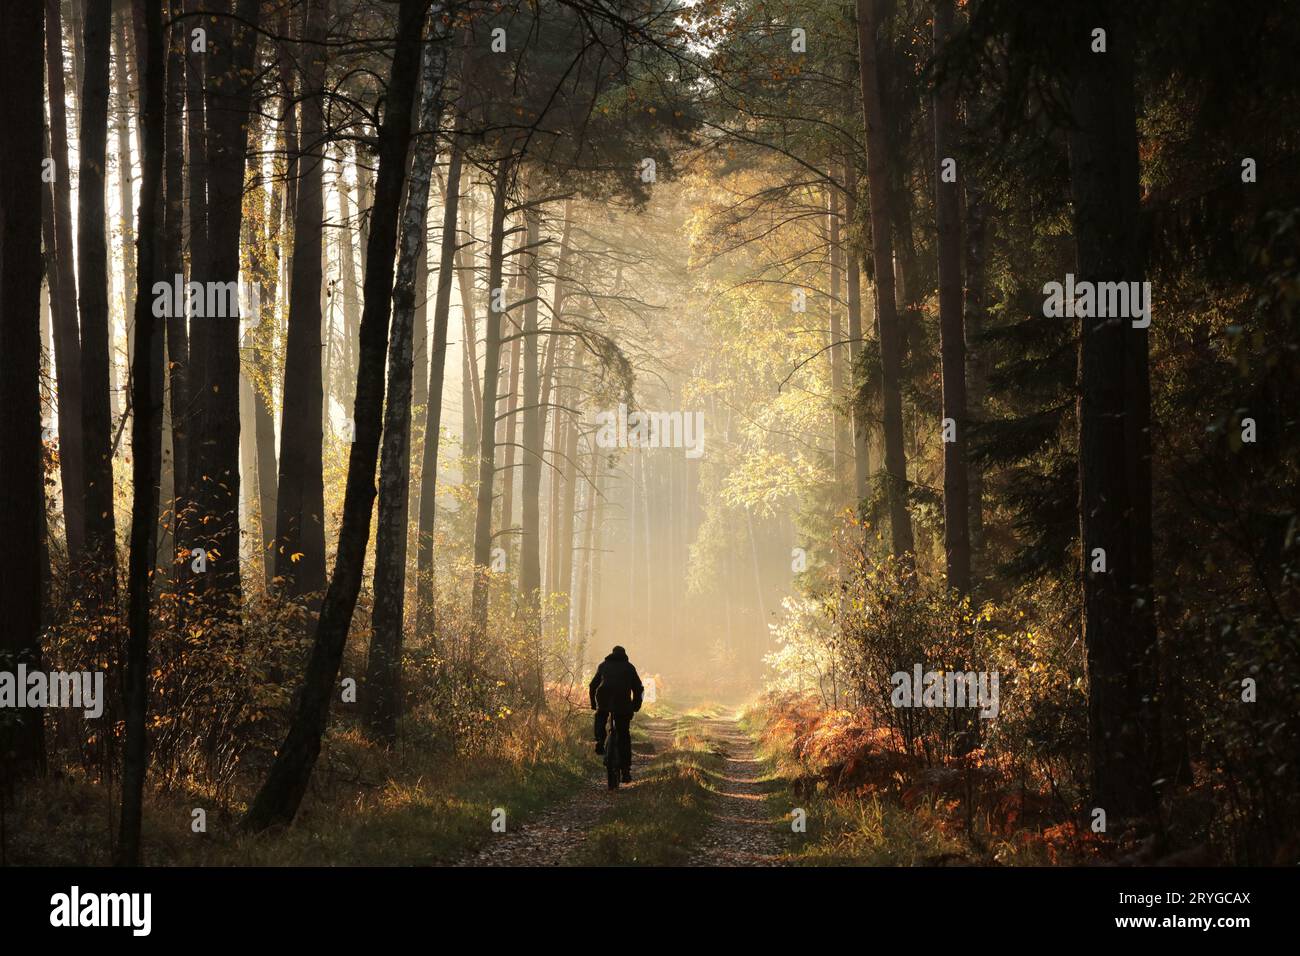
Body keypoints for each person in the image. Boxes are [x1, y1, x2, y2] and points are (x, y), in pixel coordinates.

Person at [588, 645, 643, 783]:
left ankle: (600, 741)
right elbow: (638, 688)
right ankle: (625, 770)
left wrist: (594, 704)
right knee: (623, 734)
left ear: (611, 654)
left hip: (604, 700)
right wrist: (636, 705)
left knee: (600, 716)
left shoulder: (603, 665)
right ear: (625, 655)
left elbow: (592, 685)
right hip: (623, 703)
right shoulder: (629, 667)